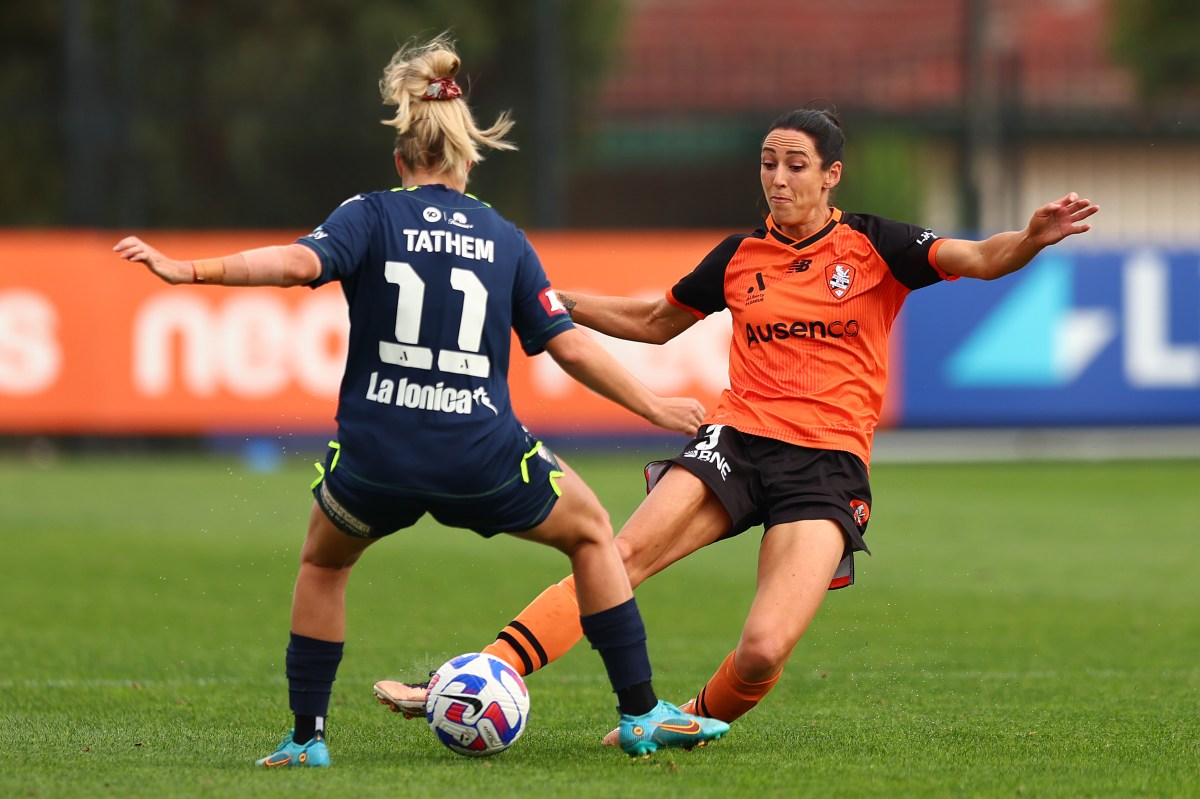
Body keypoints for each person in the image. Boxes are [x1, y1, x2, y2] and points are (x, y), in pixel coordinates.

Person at [373, 106, 1100, 743]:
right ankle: (472, 675)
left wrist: (1031, 238)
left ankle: (685, 720)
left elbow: (976, 257)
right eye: (767, 164)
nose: (777, 179)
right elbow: (656, 321)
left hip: (826, 467)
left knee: (761, 652)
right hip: (737, 440)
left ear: (831, 176)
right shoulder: (739, 256)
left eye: (794, 166)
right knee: (617, 557)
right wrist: (547, 298)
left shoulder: (878, 246)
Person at [113, 33, 729, 766]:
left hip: (378, 455)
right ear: (468, 158)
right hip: (481, 453)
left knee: (323, 563)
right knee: (594, 533)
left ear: (402, 160)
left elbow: (293, 263)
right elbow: (567, 343)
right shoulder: (504, 236)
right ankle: (637, 713)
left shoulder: (368, 214)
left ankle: (306, 737)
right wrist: (656, 405)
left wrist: (189, 271)